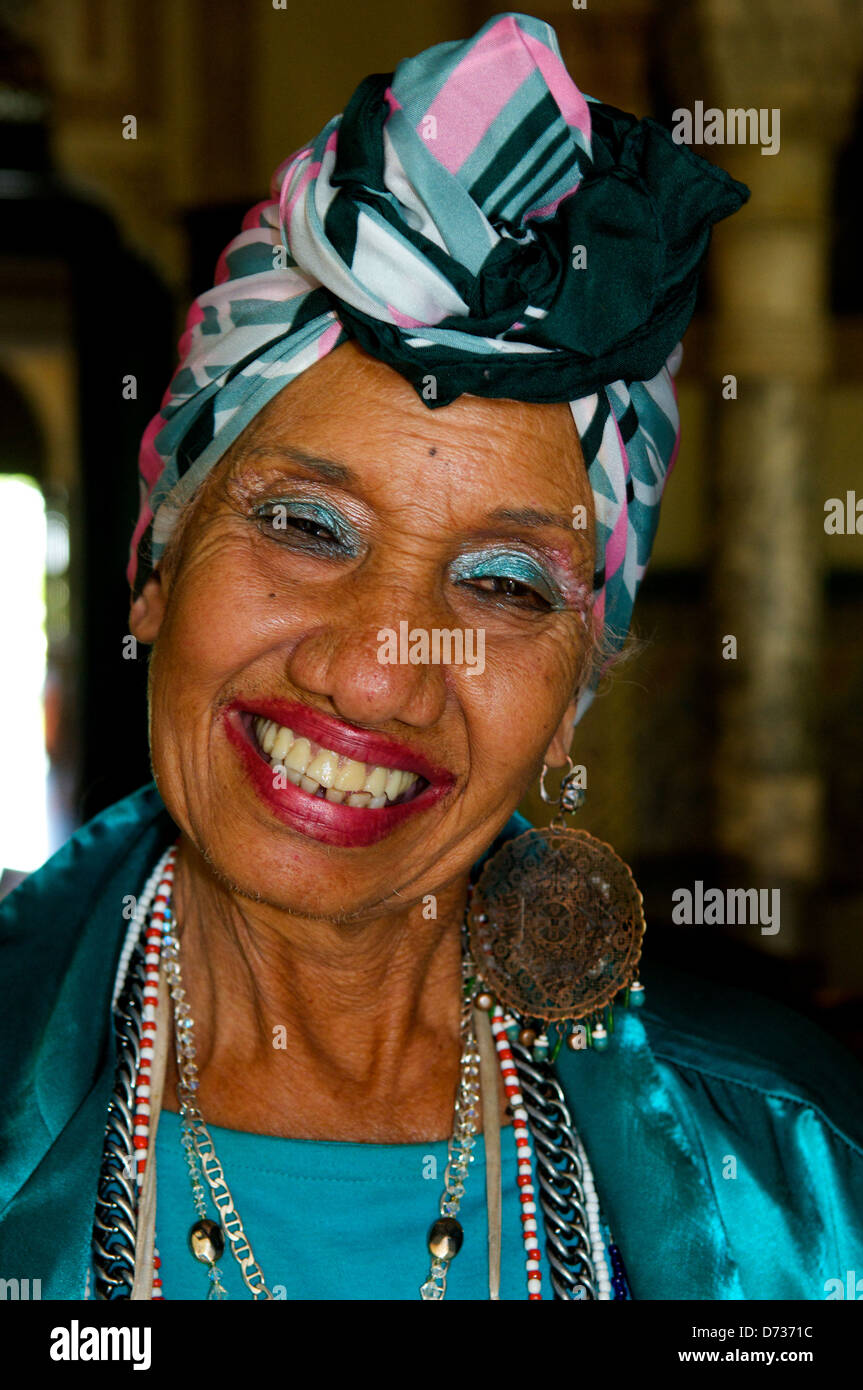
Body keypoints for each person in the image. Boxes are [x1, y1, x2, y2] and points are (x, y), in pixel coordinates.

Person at [1, 12, 861, 1302]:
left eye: (505, 582)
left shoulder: (798, 1179)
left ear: (578, 688)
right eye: (304, 524)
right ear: (159, 569)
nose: (374, 673)